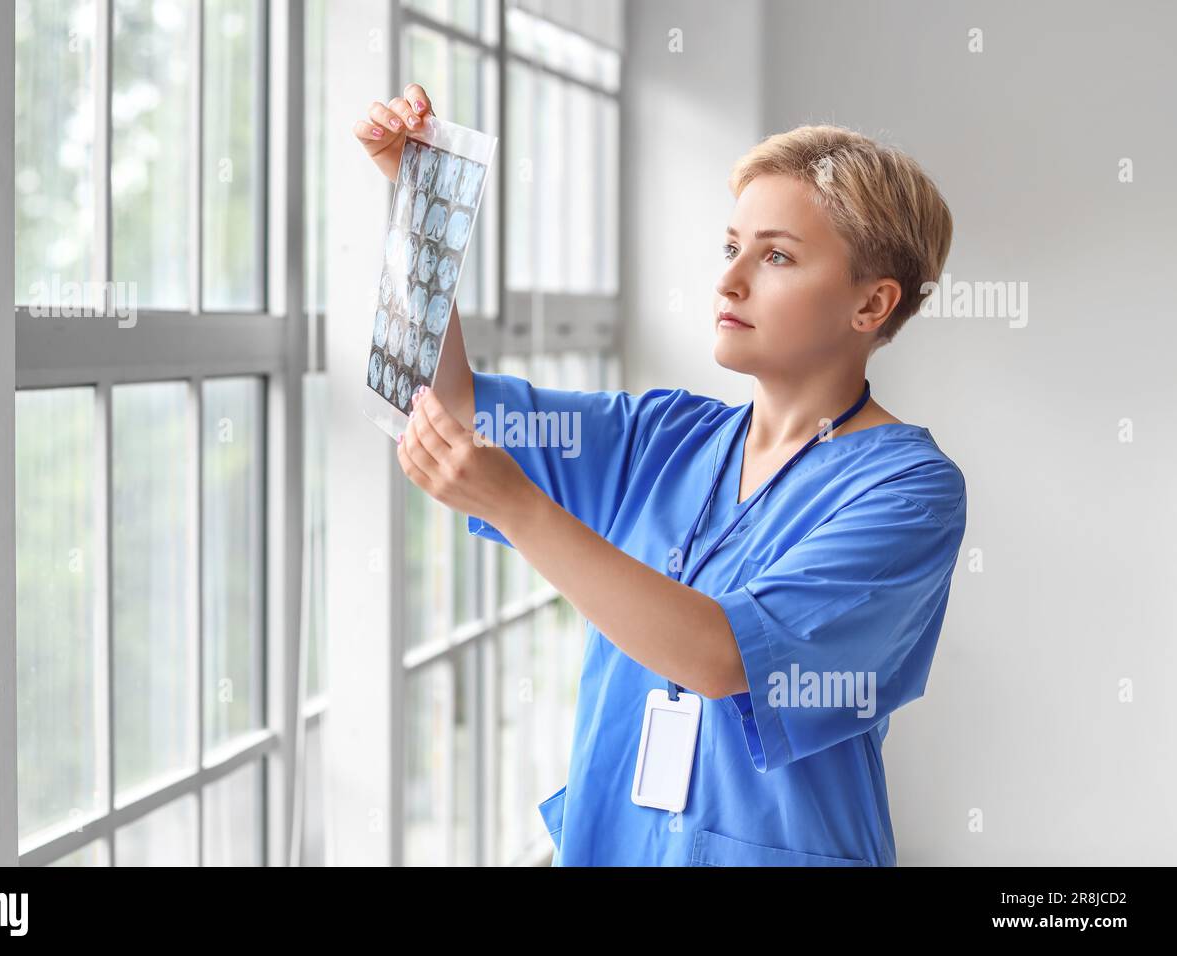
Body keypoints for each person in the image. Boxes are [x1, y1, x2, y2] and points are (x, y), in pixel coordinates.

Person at [355, 85, 966, 866]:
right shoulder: (662, 436)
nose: (730, 280)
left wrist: (519, 509)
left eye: (775, 255)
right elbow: (454, 407)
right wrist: (419, 200)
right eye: (730, 247)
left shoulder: (909, 491)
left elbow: (723, 659)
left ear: (872, 304)